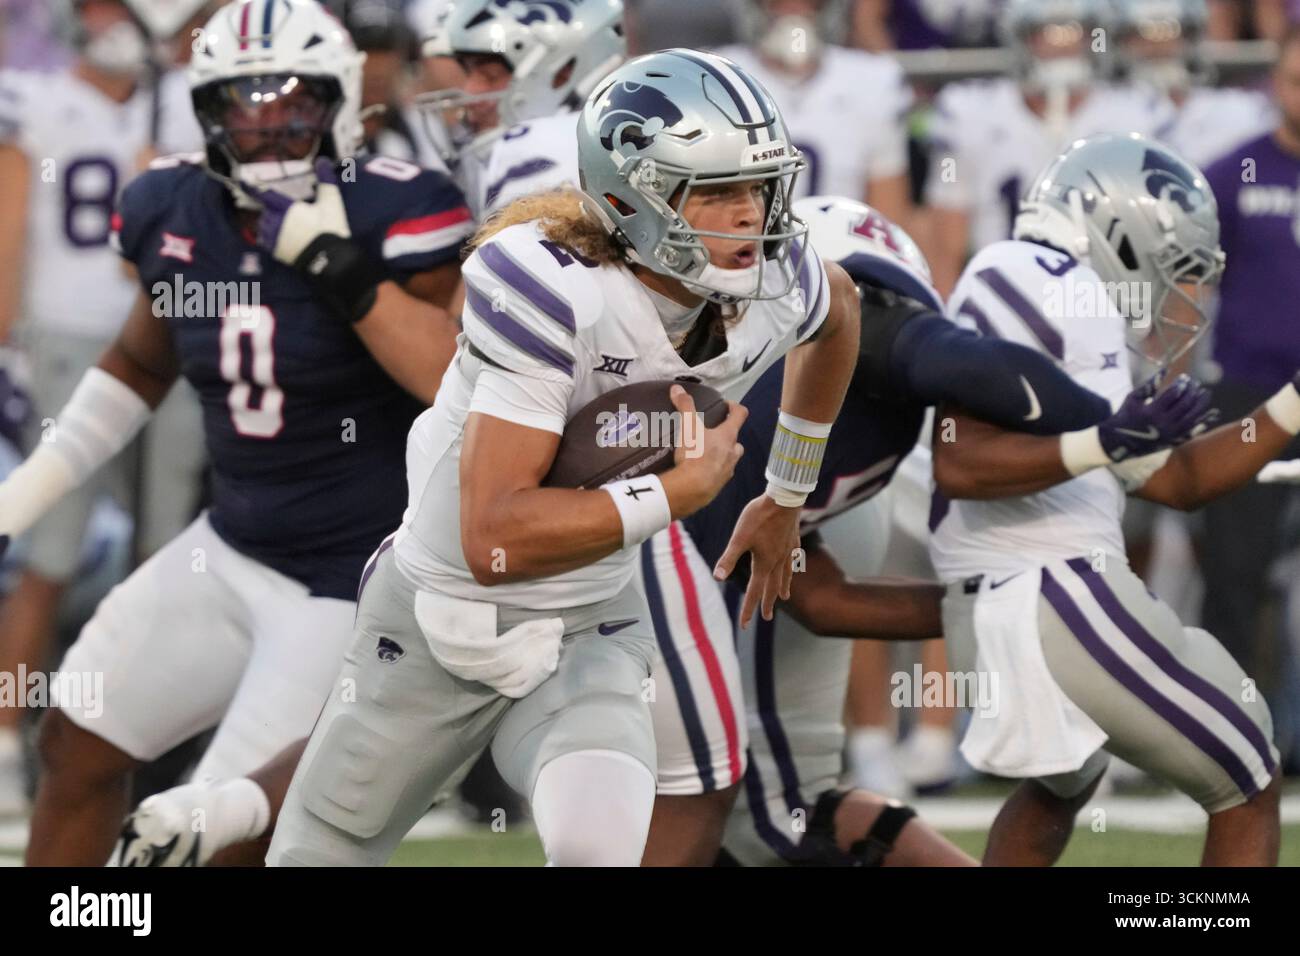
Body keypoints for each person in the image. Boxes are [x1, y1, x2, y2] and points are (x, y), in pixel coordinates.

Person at [265, 48, 865, 867]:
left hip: (589, 627)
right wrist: (679, 494)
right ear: (633, 197)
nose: (751, 216)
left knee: (597, 849)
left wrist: (787, 490)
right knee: (314, 854)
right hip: (438, 625)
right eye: (718, 191)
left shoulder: (776, 276)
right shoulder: (553, 284)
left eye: (759, 186)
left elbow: (842, 316)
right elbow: (493, 536)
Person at [0, 0, 470, 865]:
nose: (269, 130)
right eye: (243, 107)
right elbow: (143, 366)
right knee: (72, 745)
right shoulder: (175, 206)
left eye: (292, 104)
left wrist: (343, 272)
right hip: (231, 544)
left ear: (335, 106)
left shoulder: (398, 212)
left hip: (349, 578)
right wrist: (16, 500)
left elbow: (454, 381)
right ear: (208, 112)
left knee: (218, 834)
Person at [929, 133, 1282, 866]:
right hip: (1057, 592)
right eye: (1175, 263)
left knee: (1064, 785)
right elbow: (960, 462)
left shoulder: (1044, 287)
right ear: (1121, 234)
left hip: (1002, 600)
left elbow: (1180, 482)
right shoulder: (1043, 277)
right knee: (1248, 778)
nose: (1181, 290)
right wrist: (1103, 444)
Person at [0, 0, 208, 819]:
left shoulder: (191, 100)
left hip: (173, 329)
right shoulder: (36, 100)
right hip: (67, 339)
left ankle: (146, 747)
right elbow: (10, 226)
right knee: (49, 554)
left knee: (167, 555)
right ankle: (7, 737)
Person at [1185, 26, 1300, 683]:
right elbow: (1188, 295)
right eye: (1296, 81)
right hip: (1249, 394)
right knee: (1234, 566)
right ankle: (1224, 728)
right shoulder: (1232, 174)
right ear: (1274, 84)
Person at [925, 0, 1171, 296]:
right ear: (1022, 38)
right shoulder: (969, 112)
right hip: (1002, 300)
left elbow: (1164, 241)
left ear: (1095, 36)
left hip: (1108, 304)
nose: (1061, 46)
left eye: (1074, 31)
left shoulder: (1138, 114)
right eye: (1047, 32)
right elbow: (945, 244)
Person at [414, 0, 624, 216]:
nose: (470, 94)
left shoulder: (532, 146)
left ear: (563, 73)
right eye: (468, 72)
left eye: (490, 76)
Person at [717, 0, 914, 224]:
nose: (794, 9)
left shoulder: (874, 81)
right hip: (744, 252)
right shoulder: (716, 76)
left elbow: (886, 220)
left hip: (838, 254)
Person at [1117, 0, 1274, 170]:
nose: (1158, 46)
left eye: (1171, 30)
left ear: (1190, 37)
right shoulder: (1108, 109)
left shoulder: (1236, 108)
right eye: (1144, 35)